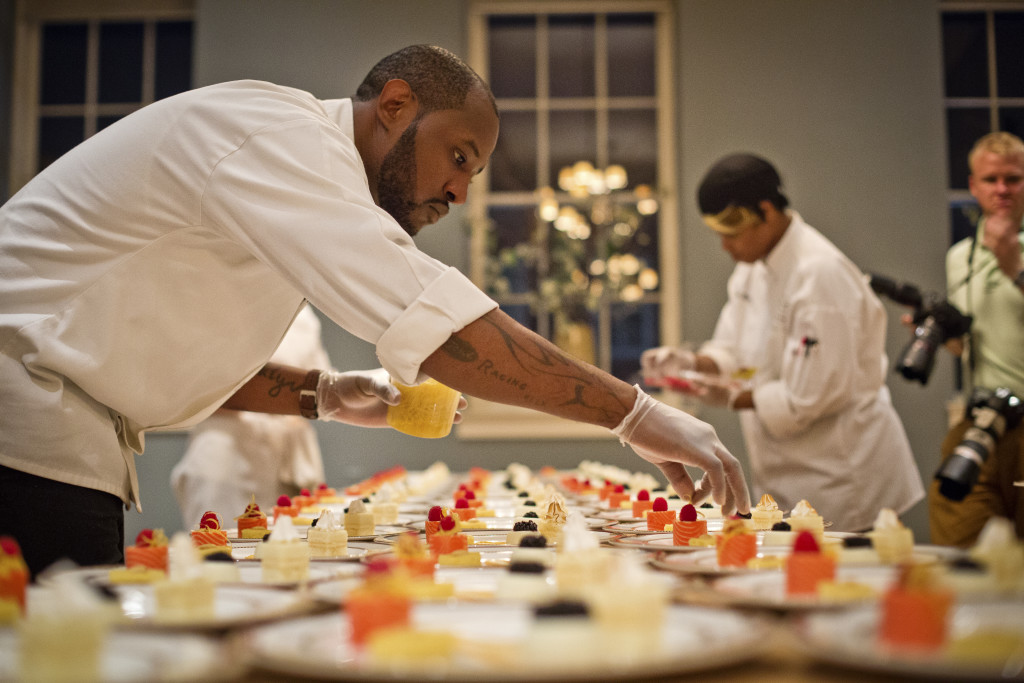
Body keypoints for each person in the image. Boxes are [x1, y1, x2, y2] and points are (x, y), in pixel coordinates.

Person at [0, 45, 749, 578]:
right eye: (459, 156)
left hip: (55, 422)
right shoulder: (285, 138)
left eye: (474, 174)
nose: (462, 193)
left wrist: (323, 394)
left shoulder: (296, 186)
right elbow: (439, 324)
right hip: (22, 417)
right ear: (395, 104)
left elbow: (162, 355)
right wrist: (636, 414)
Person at [641, 153, 924, 532]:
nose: (725, 245)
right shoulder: (750, 273)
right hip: (784, 472)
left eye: (732, 231)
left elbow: (809, 398)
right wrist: (689, 363)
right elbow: (736, 356)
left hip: (843, 477)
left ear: (767, 210)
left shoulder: (819, 275)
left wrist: (726, 397)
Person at [930, 131, 1024, 546]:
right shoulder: (958, 257)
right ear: (973, 185)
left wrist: (1014, 269)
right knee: (963, 549)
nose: (1001, 188)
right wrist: (939, 333)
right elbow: (964, 346)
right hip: (982, 421)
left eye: (1013, 178)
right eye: (991, 179)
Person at [171, 304, 330, 527]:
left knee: (294, 550)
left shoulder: (303, 312)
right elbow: (194, 385)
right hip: (227, 454)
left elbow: (321, 377)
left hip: (288, 454)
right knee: (222, 550)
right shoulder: (212, 296)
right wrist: (326, 395)